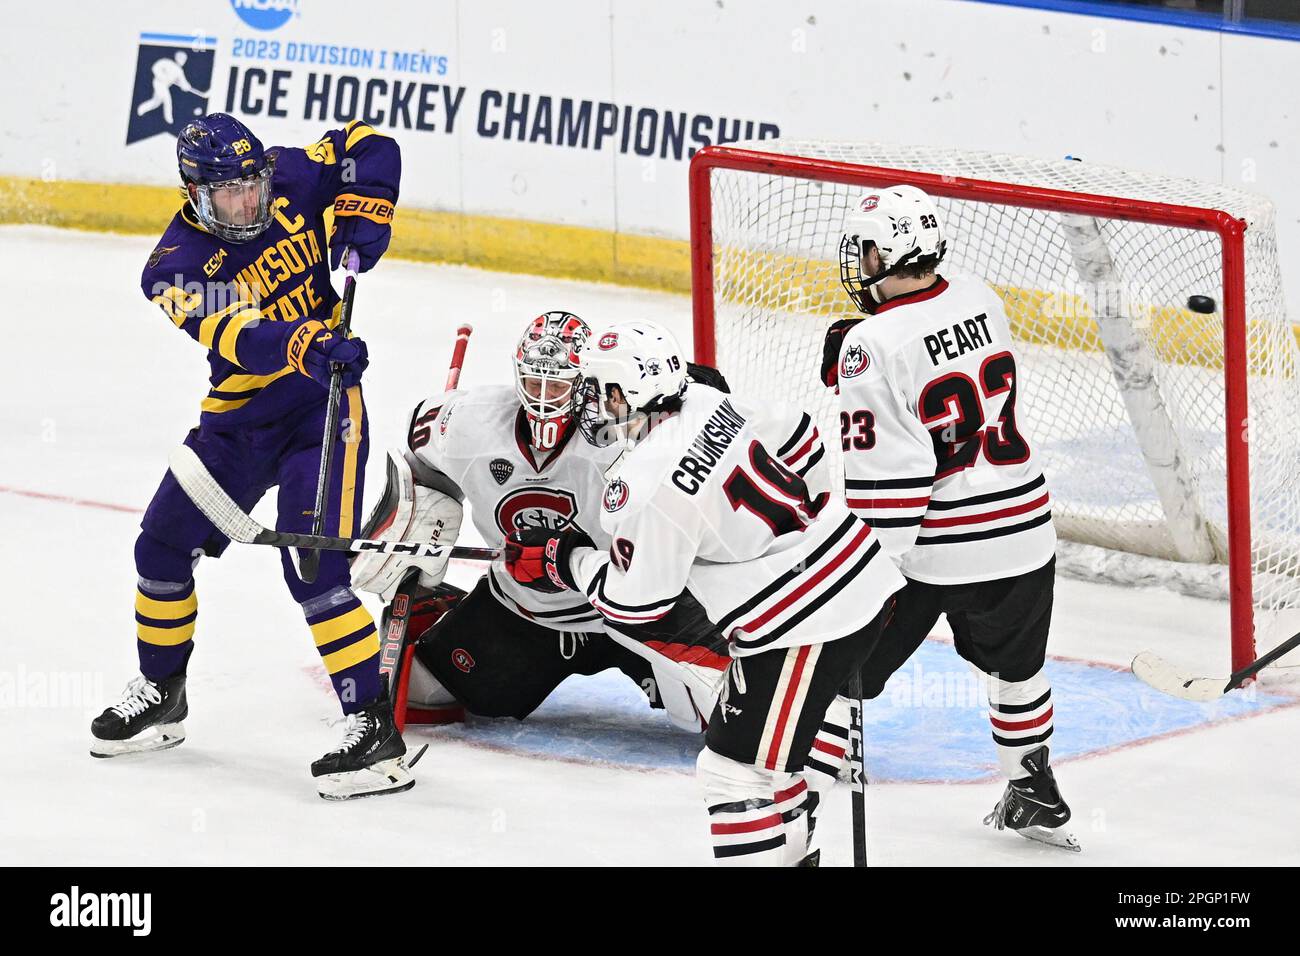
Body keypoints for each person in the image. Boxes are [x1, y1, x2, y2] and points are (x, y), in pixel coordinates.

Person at [90, 112, 411, 801]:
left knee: (315, 567)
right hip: (238, 421)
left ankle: (373, 731)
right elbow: (244, 336)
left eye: (255, 187)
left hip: (322, 412)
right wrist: (309, 343)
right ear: (194, 194)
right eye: (230, 195)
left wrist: (367, 208)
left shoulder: (291, 174)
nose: (249, 204)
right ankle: (163, 691)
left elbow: (368, 142)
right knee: (160, 548)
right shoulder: (172, 266)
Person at [504, 321, 905, 865]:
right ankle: (795, 852)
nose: (590, 404)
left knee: (732, 771)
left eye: (598, 390)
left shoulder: (641, 485)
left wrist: (567, 559)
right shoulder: (709, 397)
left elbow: (638, 604)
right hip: (861, 575)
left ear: (625, 394)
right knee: (769, 764)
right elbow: (805, 436)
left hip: (804, 626)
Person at [352, 312, 823, 732]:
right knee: (428, 696)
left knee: (731, 719)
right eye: (532, 383)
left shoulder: (629, 433)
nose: (542, 399)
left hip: (638, 607)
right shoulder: (466, 423)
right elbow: (420, 465)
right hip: (526, 611)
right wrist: (412, 524)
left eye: (556, 386)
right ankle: (442, 608)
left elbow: (695, 431)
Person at [824, 184, 1077, 850]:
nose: (863, 259)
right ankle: (1033, 786)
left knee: (835, 663)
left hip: (939, 547)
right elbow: (937, 352)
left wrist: (865, 569)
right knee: (1018, 671)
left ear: (895, 249)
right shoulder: (980, 295)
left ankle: (811, 779)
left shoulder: (871, 345)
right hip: (1026, 532)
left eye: (871, 248)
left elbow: (895, 474)